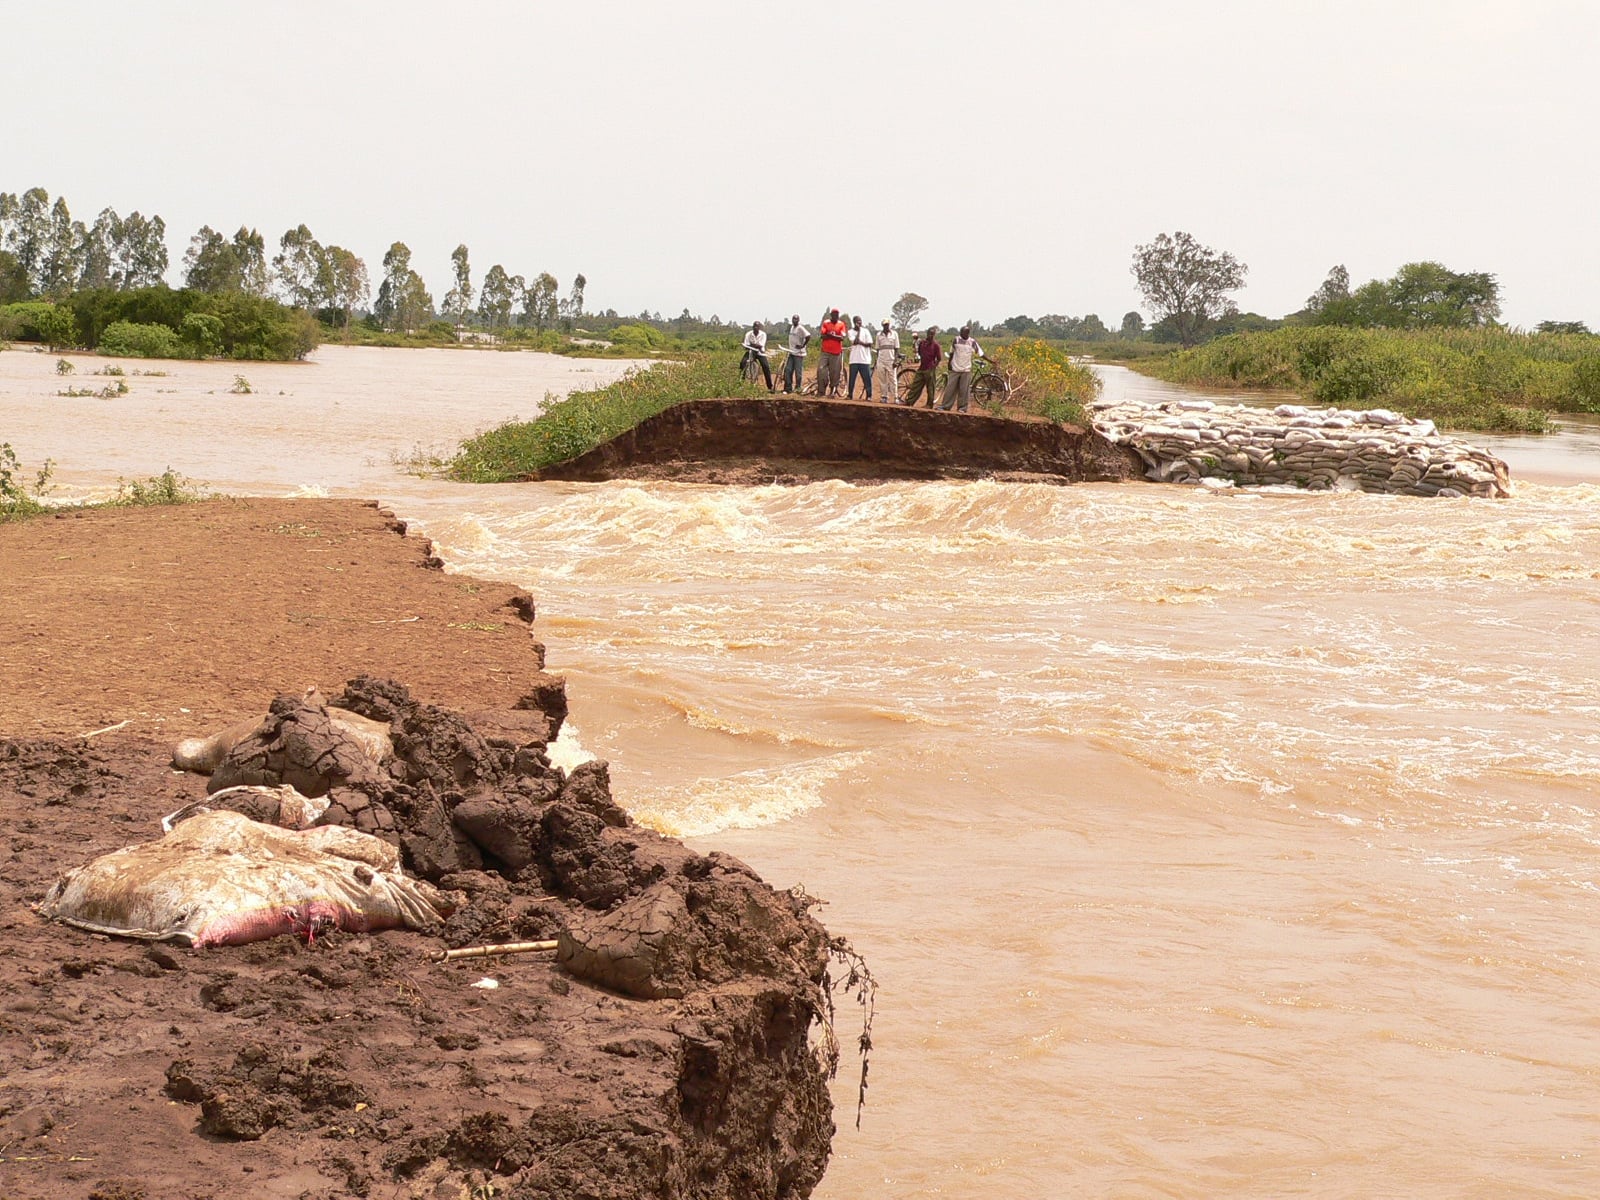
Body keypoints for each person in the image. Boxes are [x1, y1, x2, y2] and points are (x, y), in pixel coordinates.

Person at [938, 326, 983, 413]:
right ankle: (945, 406)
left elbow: (981, 353)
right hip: (955, 368)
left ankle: (962, 408)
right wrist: (949, 363)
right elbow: (951, 352)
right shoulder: (956, 340)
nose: (961, 334)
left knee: (964, 391)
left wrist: (991, 361)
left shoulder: (972, 342)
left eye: (964, 332)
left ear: (967, 333)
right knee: (950, 389)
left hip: (966, 369)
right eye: (961, 332)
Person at [902, 326, 941, 407]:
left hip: (930, 368)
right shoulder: (922, 343)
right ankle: (909, 401)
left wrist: (934, 366)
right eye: (929, 334)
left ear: (934, 335)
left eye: (932, 335)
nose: (931, 336)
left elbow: (939, 358)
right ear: (927, 334)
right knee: (915, 386)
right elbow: (920, 353)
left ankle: (929, 404)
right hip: (922, 367)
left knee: (930, 388)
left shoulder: (936, 345)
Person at [817, 308, 847, 397]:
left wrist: (830, 335)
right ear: (831, 315)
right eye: (834, 314)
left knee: (835, 373)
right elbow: (823, 336)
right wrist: (834, 336)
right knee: (821, 370)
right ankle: (821, 391)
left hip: (836, 353)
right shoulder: (826, 323)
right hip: (825, 352)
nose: (835, 316)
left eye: (837, 314)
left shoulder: (841, 324)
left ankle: (833, 391)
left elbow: (842, 338)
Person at [741, 321, 774, 391]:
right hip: (750, 351)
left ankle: (770, 386)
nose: (756, 328)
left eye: (757, 326)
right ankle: (740, 384)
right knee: (742, 363)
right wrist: (754, 346)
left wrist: (752, 345)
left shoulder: (763, 334)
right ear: (753, 327)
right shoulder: (748, 334)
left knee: (766, 367)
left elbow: (760, 346)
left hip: (760, 353)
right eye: (754, 326)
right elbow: (746, 346)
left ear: (759, 328)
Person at [846, 315, 874, 400]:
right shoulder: (850, 332)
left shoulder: (866, 331)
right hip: (854, 359)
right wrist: (858, 332)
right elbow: (854, 342)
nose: (859, 323)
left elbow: (869, 344)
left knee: (867, 379)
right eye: (858, 321)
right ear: (854, 322)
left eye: (860, 321)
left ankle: (869, 396)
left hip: (864, 359)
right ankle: (850, 395)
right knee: (852, 379)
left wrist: (861, 342)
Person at [781, 314, 810, 394]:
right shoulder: (792, 327)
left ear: (798, 320)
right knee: (788, 370)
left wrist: (803, 345)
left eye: (796, 319)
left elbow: (808, 336)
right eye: (793, 319)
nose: (794, 321)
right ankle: (788, 388)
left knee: (798, 372)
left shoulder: (800, 328)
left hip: (799, 353)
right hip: (792, 352)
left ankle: (798, 388)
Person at [873, 319, 900, 403]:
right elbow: (877, 349)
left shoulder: (894, 334)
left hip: (891, 360)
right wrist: (877, 360)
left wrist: (895, 360)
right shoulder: (878, 335)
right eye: (885, 325)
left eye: (887, 324)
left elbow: (897, 348)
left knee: (893, 380)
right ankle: (884, 396)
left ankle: (895, 397)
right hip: (881, 360)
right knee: (882, 380)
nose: (886, 326)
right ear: (882, 326)